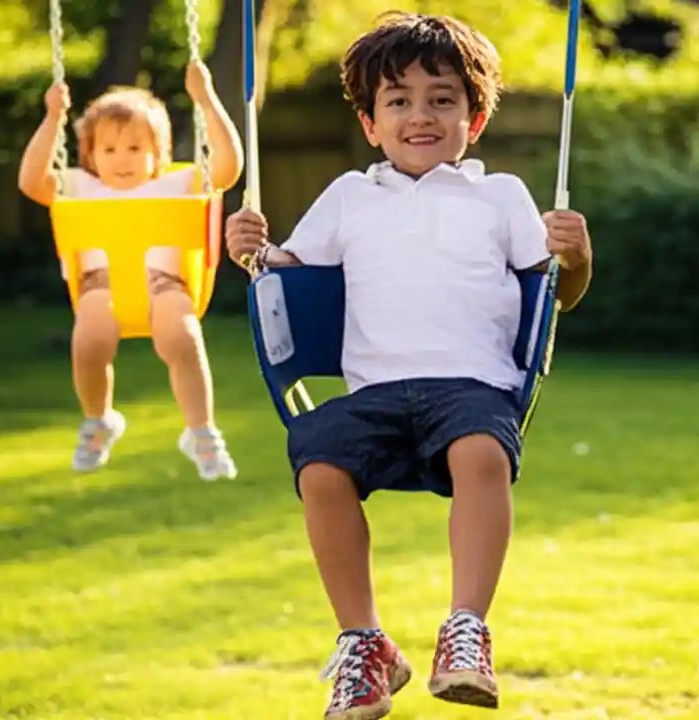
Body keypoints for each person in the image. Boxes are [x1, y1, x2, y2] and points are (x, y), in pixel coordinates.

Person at [225, 12, 593, 719]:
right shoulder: (349, 196)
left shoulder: (500, 196)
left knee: (481, 452)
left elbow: (557, 294)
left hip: (473, 387)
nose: (420, 115)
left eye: (442, 100)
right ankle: (364, 644)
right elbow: (287, 273)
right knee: (319, 462)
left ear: (473, 121)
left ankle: (466, 630)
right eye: (398, 101)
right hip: (376, 395)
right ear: (371, 123)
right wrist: (251, 250)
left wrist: (576, 258)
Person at [18, 62, 243, 480]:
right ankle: (98, 420)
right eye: (109, 150)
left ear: (159, 152)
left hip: (166, 287)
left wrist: (206, 99)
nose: (122, 159)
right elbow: (31, 182)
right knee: (88, 344)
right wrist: (52, 118)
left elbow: (229, 168)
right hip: (101, 288)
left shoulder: (178, 184)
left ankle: (201, 431)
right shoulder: (79, 187)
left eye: (135, 148)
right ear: (90, 156)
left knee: (183, 339)